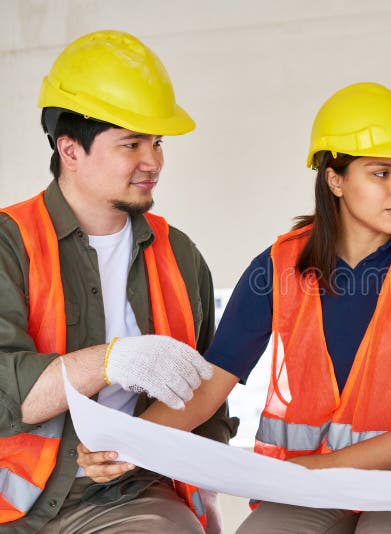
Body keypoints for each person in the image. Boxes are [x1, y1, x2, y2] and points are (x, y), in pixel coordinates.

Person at [80, 81, 391, 533]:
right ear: (335, 180)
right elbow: (209, 386)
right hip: (309, 485)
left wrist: (324, 468)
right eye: (382, 173)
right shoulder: (278, 266)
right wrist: (128, 442)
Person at [0, 30, 237, 533]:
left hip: (125, 498)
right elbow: (5, 392)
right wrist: (110, 362)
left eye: (157, 142)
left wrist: (199, 482)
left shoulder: (180, 256)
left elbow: (210, 395)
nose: (153, 161)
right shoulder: (10, 245)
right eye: (131, 143)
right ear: (70, 149)